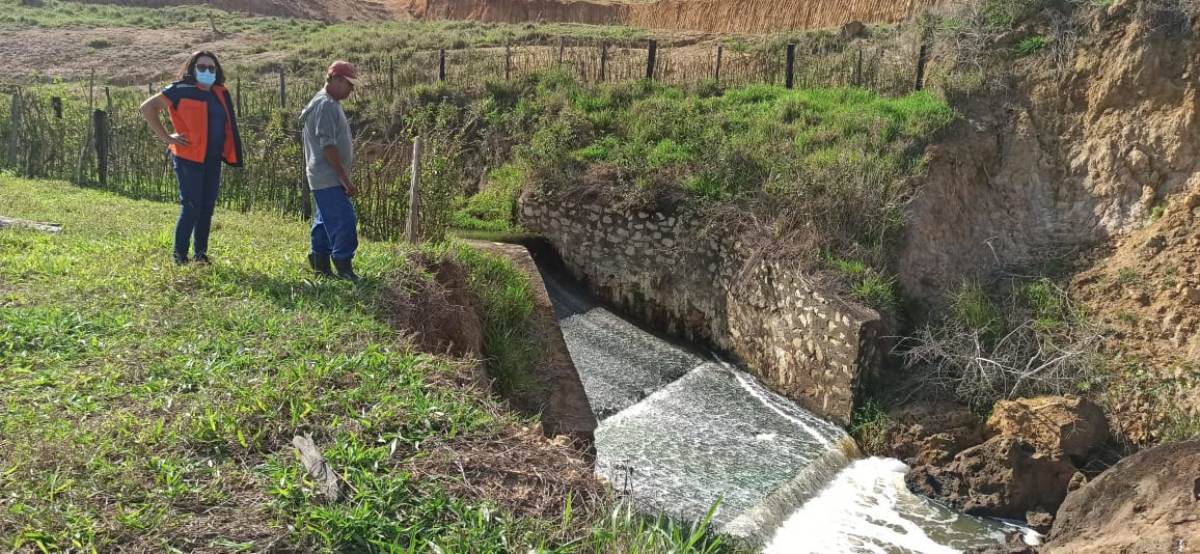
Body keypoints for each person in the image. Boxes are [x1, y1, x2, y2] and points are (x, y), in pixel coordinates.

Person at [139, 51, 243, 265]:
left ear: (217, 71)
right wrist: (166, 137)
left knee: (207, 207)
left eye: (211, 68)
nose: (207, 71)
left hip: (213, 160)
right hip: (188, 159)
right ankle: (179, 256)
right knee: (191, 207)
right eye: (202, 67)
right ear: (192, 68)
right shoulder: (179, 90)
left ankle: (200, 255)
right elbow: (147, 108)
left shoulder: (220, 93)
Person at [300, 60, 362, 281]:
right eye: (348, 84)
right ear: (335, 79)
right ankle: (343, 264)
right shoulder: (325, 105)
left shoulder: (327, 102)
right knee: (344, 220)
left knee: (324, 220)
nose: (351, 89)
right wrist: (344, 178)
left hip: (321, 175)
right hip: (328, 176)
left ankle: (320, 262)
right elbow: (327, 145)